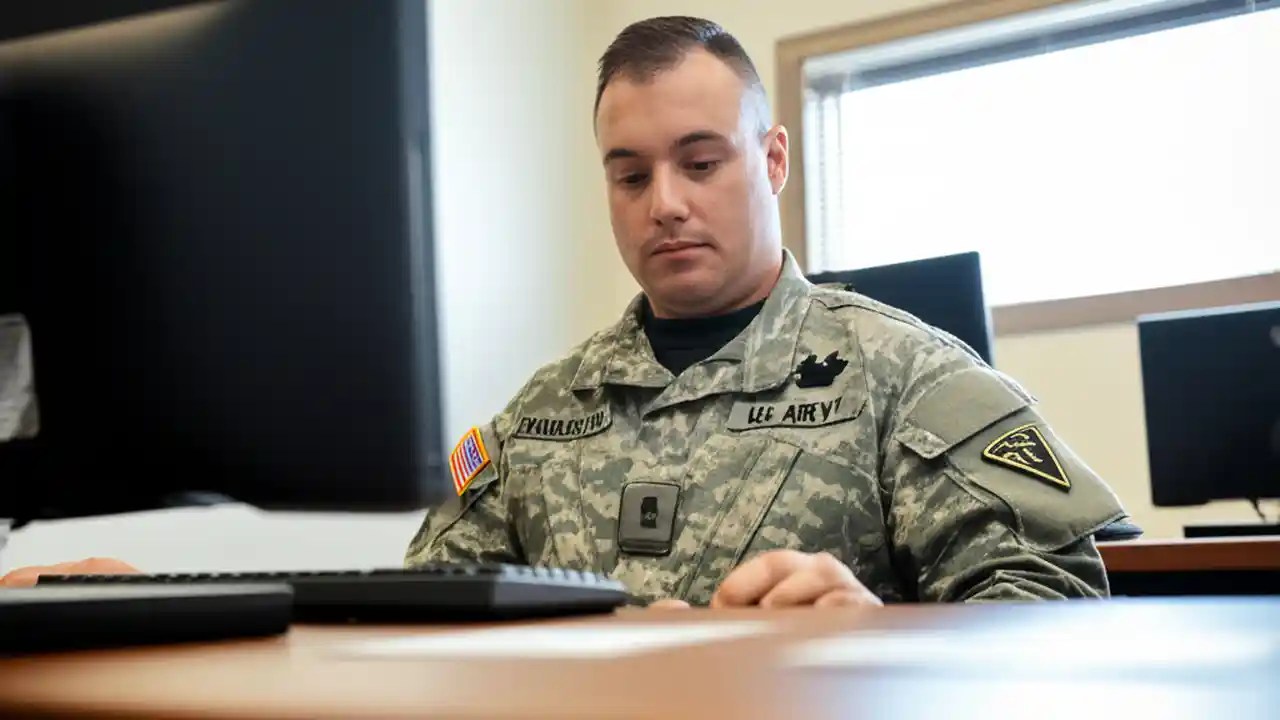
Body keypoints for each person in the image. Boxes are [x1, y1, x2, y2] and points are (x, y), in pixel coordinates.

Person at [1, 16, 1131, 606]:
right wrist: (176, 599)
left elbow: (1055, 604)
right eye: (629, 173)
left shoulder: (907, 374)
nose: (666, 205)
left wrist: (879, 638)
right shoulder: (544, 411)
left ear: (772, 157)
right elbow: (421, 606)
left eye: (701, 162)